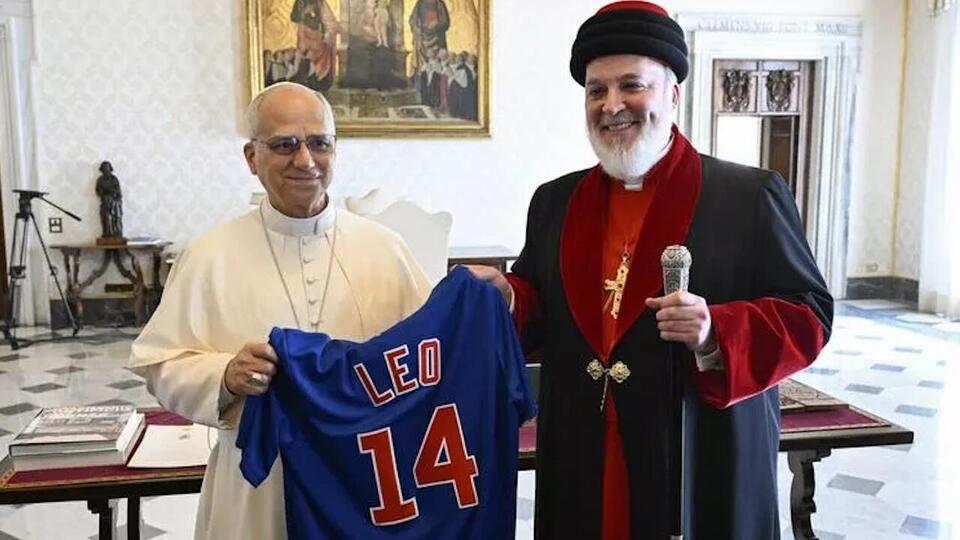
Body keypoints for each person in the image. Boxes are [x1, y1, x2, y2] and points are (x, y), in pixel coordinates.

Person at [469, 2, 833, 539]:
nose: (612, 105)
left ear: (672, 95)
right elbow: (543, 308)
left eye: (631, 86)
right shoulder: (556, 201)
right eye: (596, 91)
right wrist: (509, 299)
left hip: (696, 452)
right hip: (584, 450)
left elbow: (810, 315)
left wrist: (715, 332)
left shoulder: (749, 196)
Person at [129, 82, 430, 539]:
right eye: (285, 145)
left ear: (335, 150)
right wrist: (225, 376)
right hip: (260, 482)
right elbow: (162, 363)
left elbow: (431, 356)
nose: (305, 160)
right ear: (252, 157)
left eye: (319, 144)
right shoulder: (209, 254)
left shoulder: (385, 249)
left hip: (365, 474)